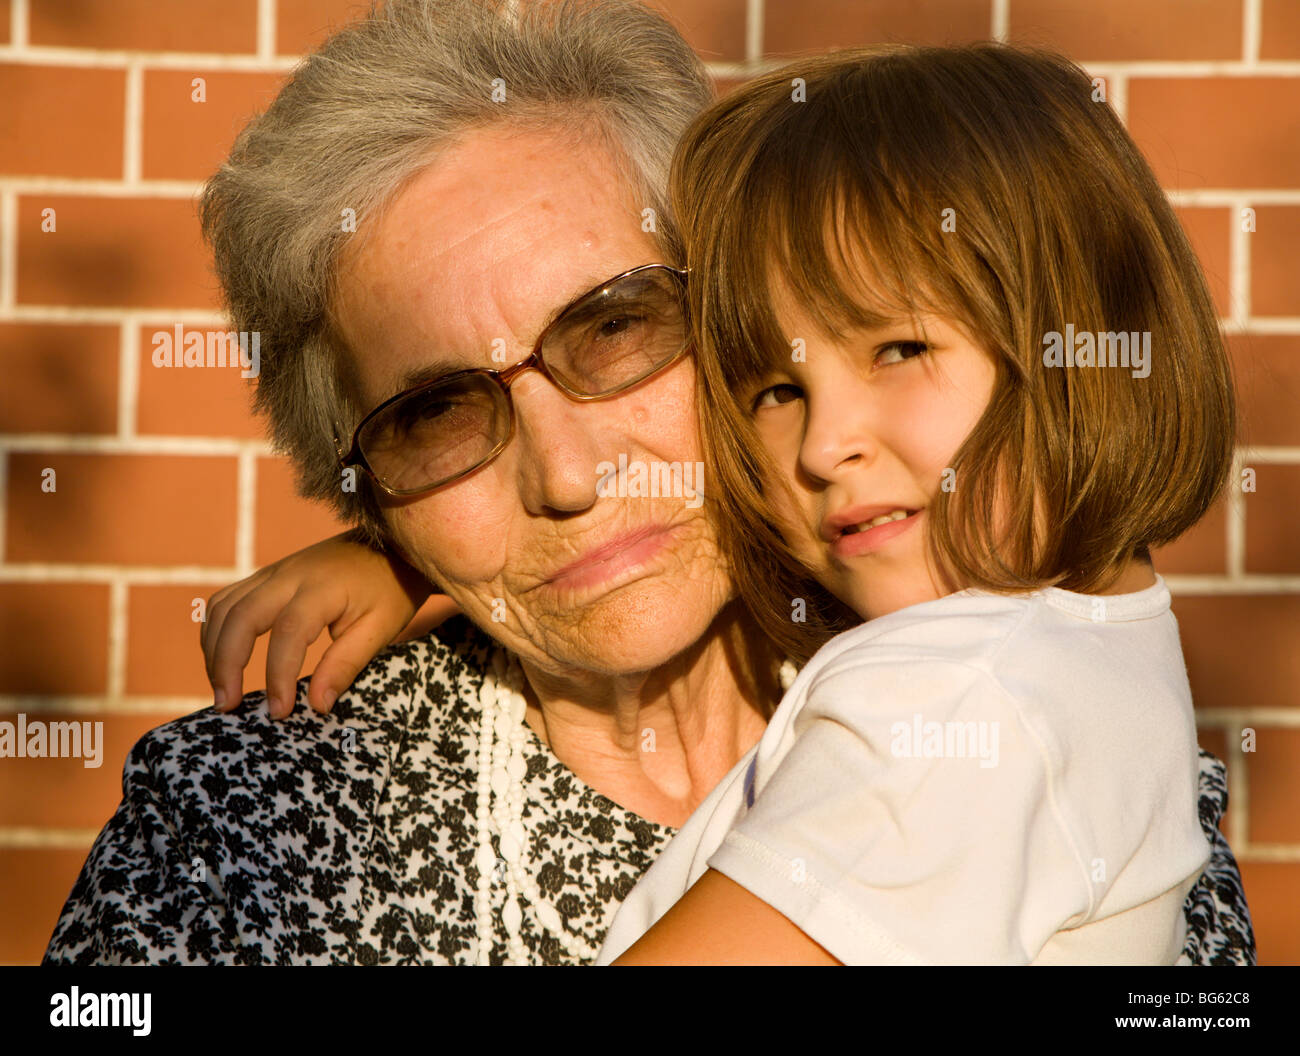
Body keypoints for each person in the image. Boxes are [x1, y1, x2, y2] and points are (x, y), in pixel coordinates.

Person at [42, 2, 1253, 966]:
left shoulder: (1008, 716)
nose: (566, 475)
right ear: (359, 480)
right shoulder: (245, 832)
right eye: (435, 416)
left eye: (615, 331)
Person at [597, 42, 1247, 964]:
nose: (824, 447)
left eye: (898, 350)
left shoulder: (958, 696)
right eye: (776, 391)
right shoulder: (1090, 655)